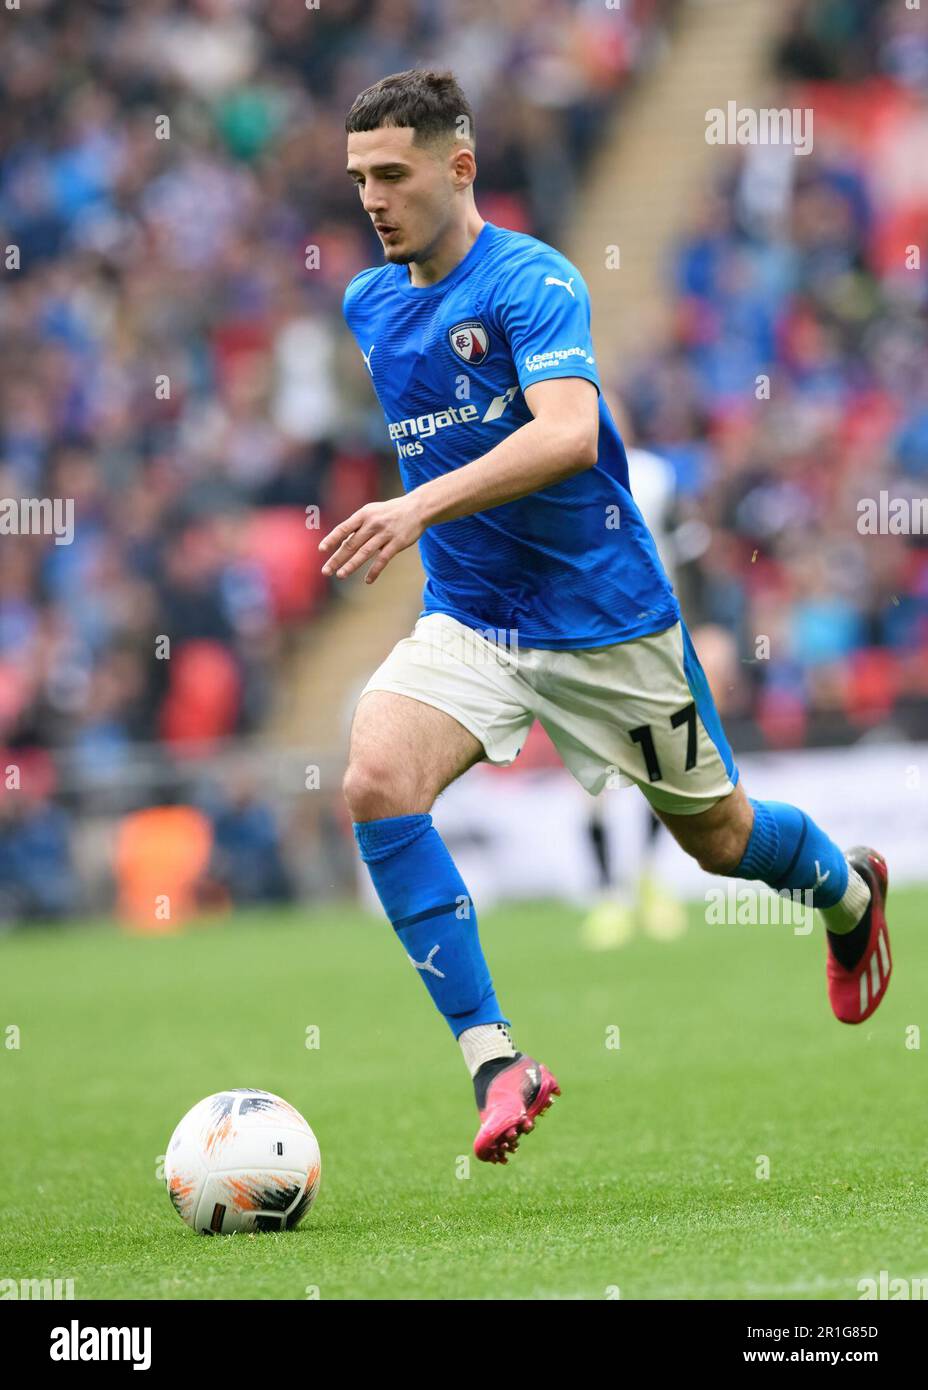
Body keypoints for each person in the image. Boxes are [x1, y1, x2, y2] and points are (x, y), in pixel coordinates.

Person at [319, 69, 891, 1166]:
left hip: (605, 621)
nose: (374, 200)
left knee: (722, 841)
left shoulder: (533, 281)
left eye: (393, 174)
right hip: (474, 619)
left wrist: (416, 506)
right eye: (358, 180)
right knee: (375, 779)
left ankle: (847, 890)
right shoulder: (368, 303)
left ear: (459, 166)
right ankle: (496, 1060)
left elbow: (568, 434)